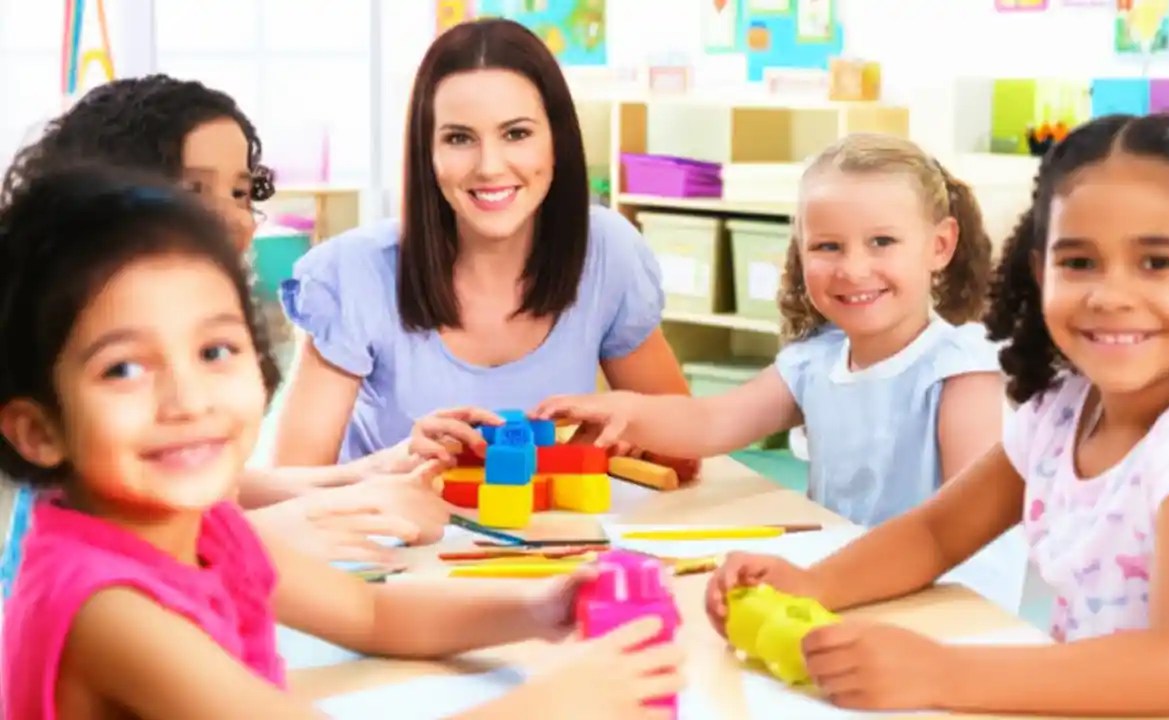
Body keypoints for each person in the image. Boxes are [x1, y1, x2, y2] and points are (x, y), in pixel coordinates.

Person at [0, 165, 684, 719]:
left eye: (214, 351)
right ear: (38, 430)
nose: (189, 400)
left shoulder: (203, 529)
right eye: (123, 369)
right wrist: (551, 706)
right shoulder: (106, 608)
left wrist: (535, 609)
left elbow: (371, 613)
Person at [702, 115, 1169, 717]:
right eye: (1079, 262)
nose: (1110, 295)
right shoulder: (1063, 411)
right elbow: (936, 533)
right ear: (1040, 271)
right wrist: (814, 583)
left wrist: (938, 672)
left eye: (1157, 263)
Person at [0, 75, 454, 587]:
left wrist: (357, 475)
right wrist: (301, 522)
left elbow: (208, 487)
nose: (231, 218)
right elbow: (136, 544)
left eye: (240, 192)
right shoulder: (85, 341)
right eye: (193, 190)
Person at [272, 19, 693, 472]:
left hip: (554, 520)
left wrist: (632, 437)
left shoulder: (607, 252)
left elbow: (686, 448)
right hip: (384, 518)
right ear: (427, 154)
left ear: (557, 141)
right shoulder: (356, 273)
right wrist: (390, 467)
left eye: (516, 134)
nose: (490, 166)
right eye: (458, 138)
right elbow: (293, 487)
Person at [536, 132, 1003, 528]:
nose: (853, 269)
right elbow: (710, 422)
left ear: (940, 245)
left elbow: (964, 532)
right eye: (828, 246)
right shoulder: (815, 362)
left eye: (882, 241)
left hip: (946, 599)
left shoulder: (963, 373)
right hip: (852, 582)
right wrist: (621, 409)